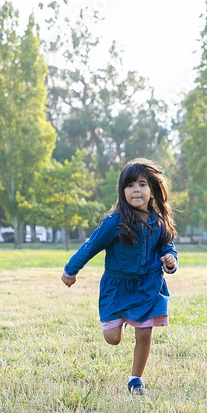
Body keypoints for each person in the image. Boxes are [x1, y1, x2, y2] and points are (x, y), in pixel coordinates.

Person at [61, 158, 178, 394]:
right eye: (130, 185)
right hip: (117, 287)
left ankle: (136, 380)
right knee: (113, 338)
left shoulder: (158, 221)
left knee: (144, 332)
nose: (136, 189)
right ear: (122, 191)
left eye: (143, 184)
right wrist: (71, 270)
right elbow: (91, 246)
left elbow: (168, 247)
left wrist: (170, 260)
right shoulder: (115, 222)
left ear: (152, 190)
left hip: (149, 285)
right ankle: (122, 318)